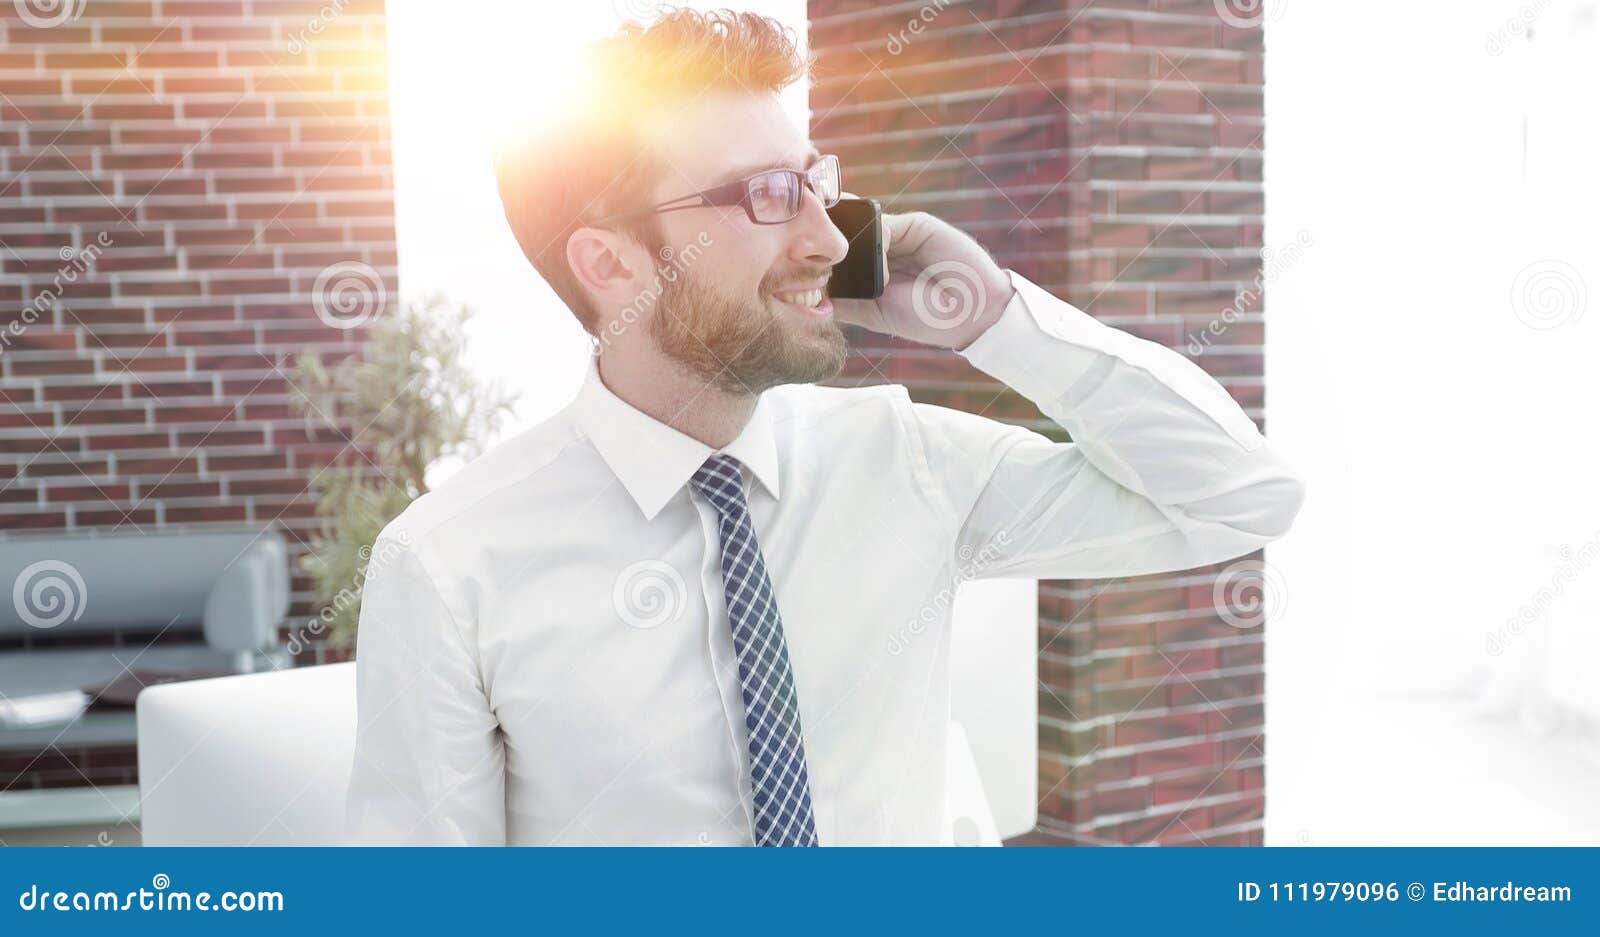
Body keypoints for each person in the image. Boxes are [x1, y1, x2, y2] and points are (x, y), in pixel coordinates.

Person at [344, 8, 1306, 846]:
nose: (831, 238)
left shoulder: (903, 460)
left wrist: (995, 318)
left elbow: (1240, 498)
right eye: (767, 196)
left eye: (815, 181)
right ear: (610, 263)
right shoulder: (449, 565)